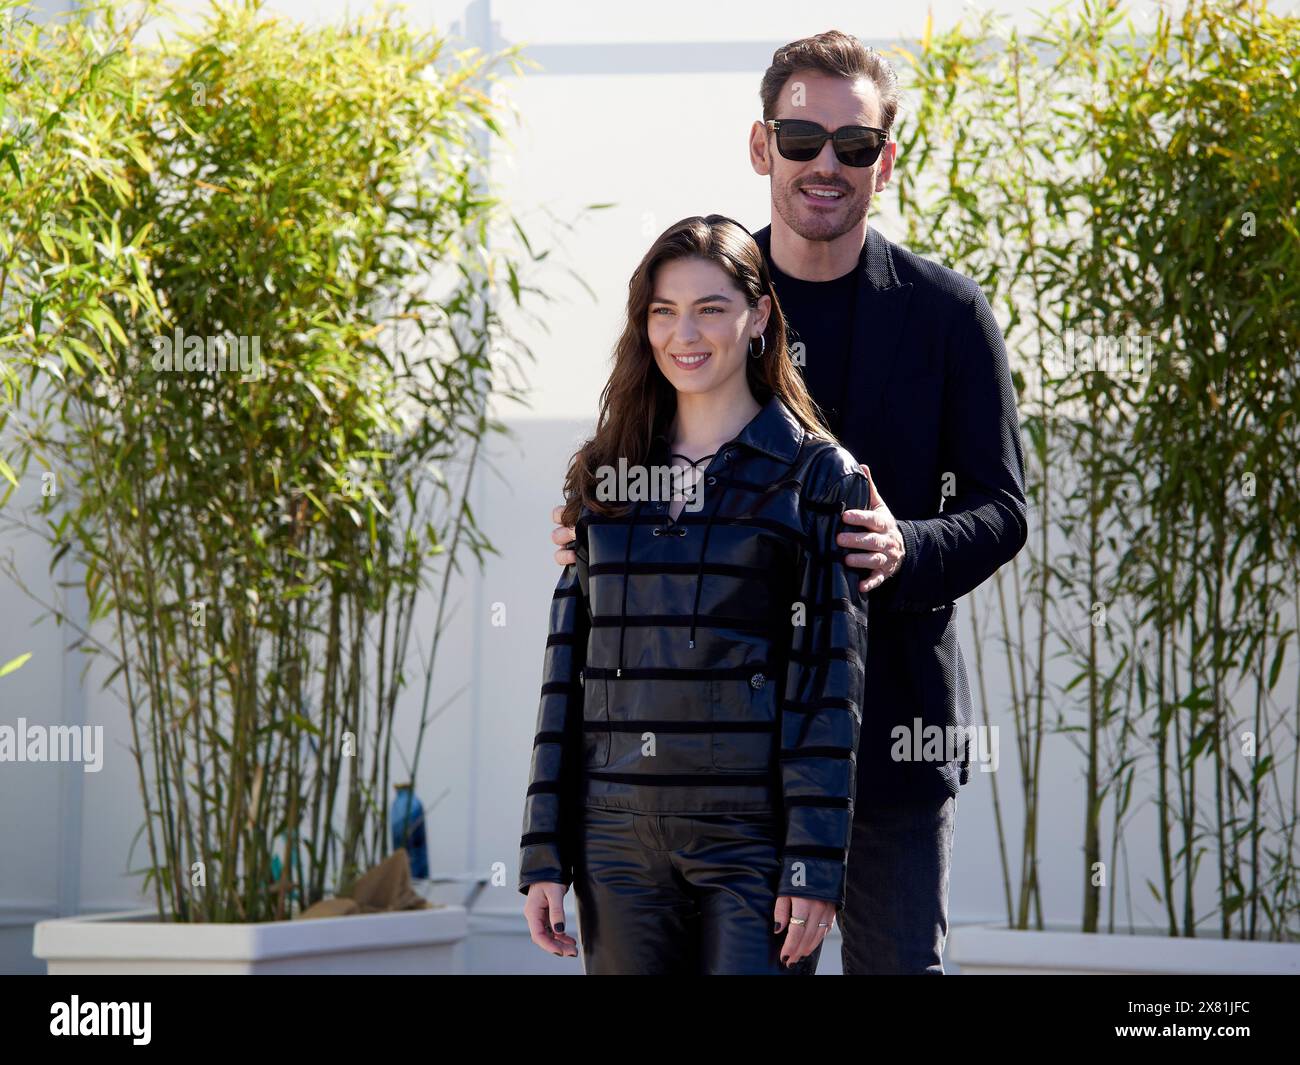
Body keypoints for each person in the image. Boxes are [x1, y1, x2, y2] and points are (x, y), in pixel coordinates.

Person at [549, 31, 1029, 974]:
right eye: (801, 137)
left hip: (893, 735)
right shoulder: (712, 295)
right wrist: (594, 528)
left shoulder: (948, 313)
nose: (825, 164)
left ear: (884, 162)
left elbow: (1002, 508)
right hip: (735, 764)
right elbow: (645, 453)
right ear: (761, 144)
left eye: (853, 147)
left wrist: (905, 545)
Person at [518, 214, 873, 974]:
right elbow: (566, 668)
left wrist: (813, 858)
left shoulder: (817, 476)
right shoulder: (605, 471)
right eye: (663, 310)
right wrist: (544, 847)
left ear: (759, 317)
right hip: (614, 841)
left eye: (711, 307)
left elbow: (828, 682)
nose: (686, 332)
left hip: (751, 840)